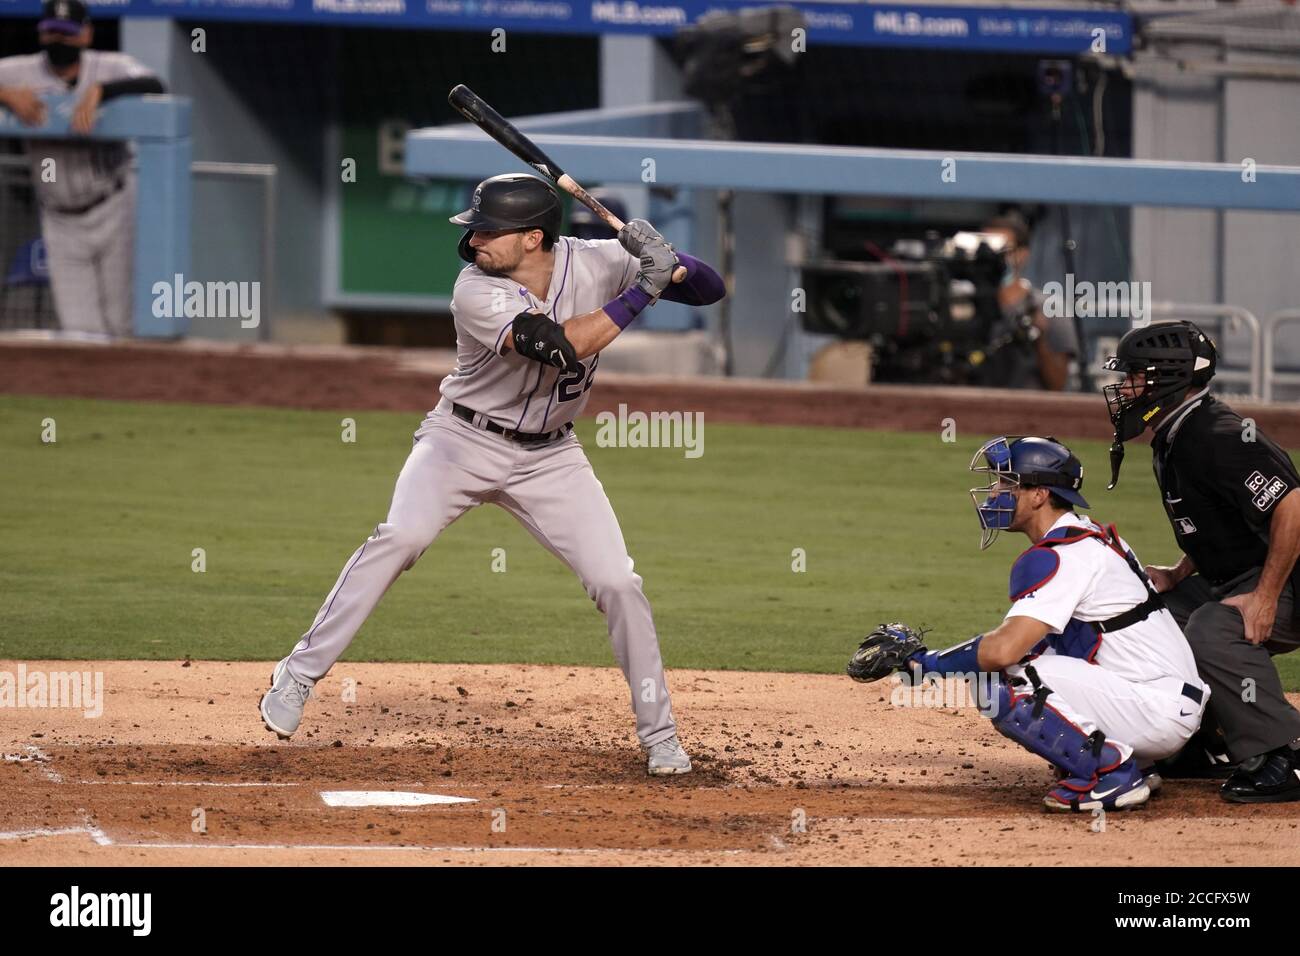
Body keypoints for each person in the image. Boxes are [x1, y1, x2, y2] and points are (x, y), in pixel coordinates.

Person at [260, 173, 725, 775]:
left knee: (618, 582)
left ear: (534, 237)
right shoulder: (475, 290)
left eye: (487, 230)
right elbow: (557, 345)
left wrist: (667, 258)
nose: (474, 239)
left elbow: (710, 290)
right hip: (461, 440)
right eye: (474, 227)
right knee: (400, 538)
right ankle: (297, 673)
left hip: (551, 457)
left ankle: (660, 734)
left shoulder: (599, 260)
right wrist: (644, 290)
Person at [847, 436, 1207, 811]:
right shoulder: (1089, 536)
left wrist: (926, 664)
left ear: (1038, 495)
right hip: (1159, 702)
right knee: (1034, 654)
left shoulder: (1064, 556)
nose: (994, 493)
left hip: (1154, 710)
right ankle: (1132, 759)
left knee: (997, 680)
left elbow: (1003, 650)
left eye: (1007, 484)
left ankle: (1111, 773)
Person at [1103, 320, 1300, 803]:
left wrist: (1266, 599)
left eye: (1133, 376)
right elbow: (1217, 529)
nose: (1123, 388)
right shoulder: (1177, 432)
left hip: (1291, 577)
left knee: (1214, 628)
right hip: (1247, 571)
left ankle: (1286, 754)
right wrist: (1177, 572)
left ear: (1166, 379)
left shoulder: (1219, 435)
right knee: (1153, 615)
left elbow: (1293, 507)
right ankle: (1203, 741)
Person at [0, 0, 165, 338]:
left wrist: (102, 91)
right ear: (41, 34)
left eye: (68, 33)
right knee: (79, 333)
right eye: (52, 32)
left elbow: (155, 85)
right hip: (59, 217)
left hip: (112, 206)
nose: (59, 40)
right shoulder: (19, 72)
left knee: (120, 325)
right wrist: (4, 92)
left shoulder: (108, 66)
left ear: (86, 34)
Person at [980, 212, 1077, 391]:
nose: (992, 259)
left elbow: (1058, 384)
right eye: (986, 250)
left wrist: (1038, 337)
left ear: (1023, 254)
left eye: (1002, 250)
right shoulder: (964, 305)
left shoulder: (1047, 307)